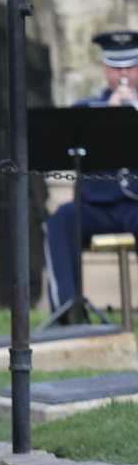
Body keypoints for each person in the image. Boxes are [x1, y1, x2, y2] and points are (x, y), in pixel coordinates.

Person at [44, 30, 138, 313]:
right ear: (105, 70)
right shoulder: (86, 109)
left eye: (130, 67)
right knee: (60, 221)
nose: (123, 74)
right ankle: (68, 310)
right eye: (115, 68)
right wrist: (108, 117)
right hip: (97, 205)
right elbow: (66, 151)